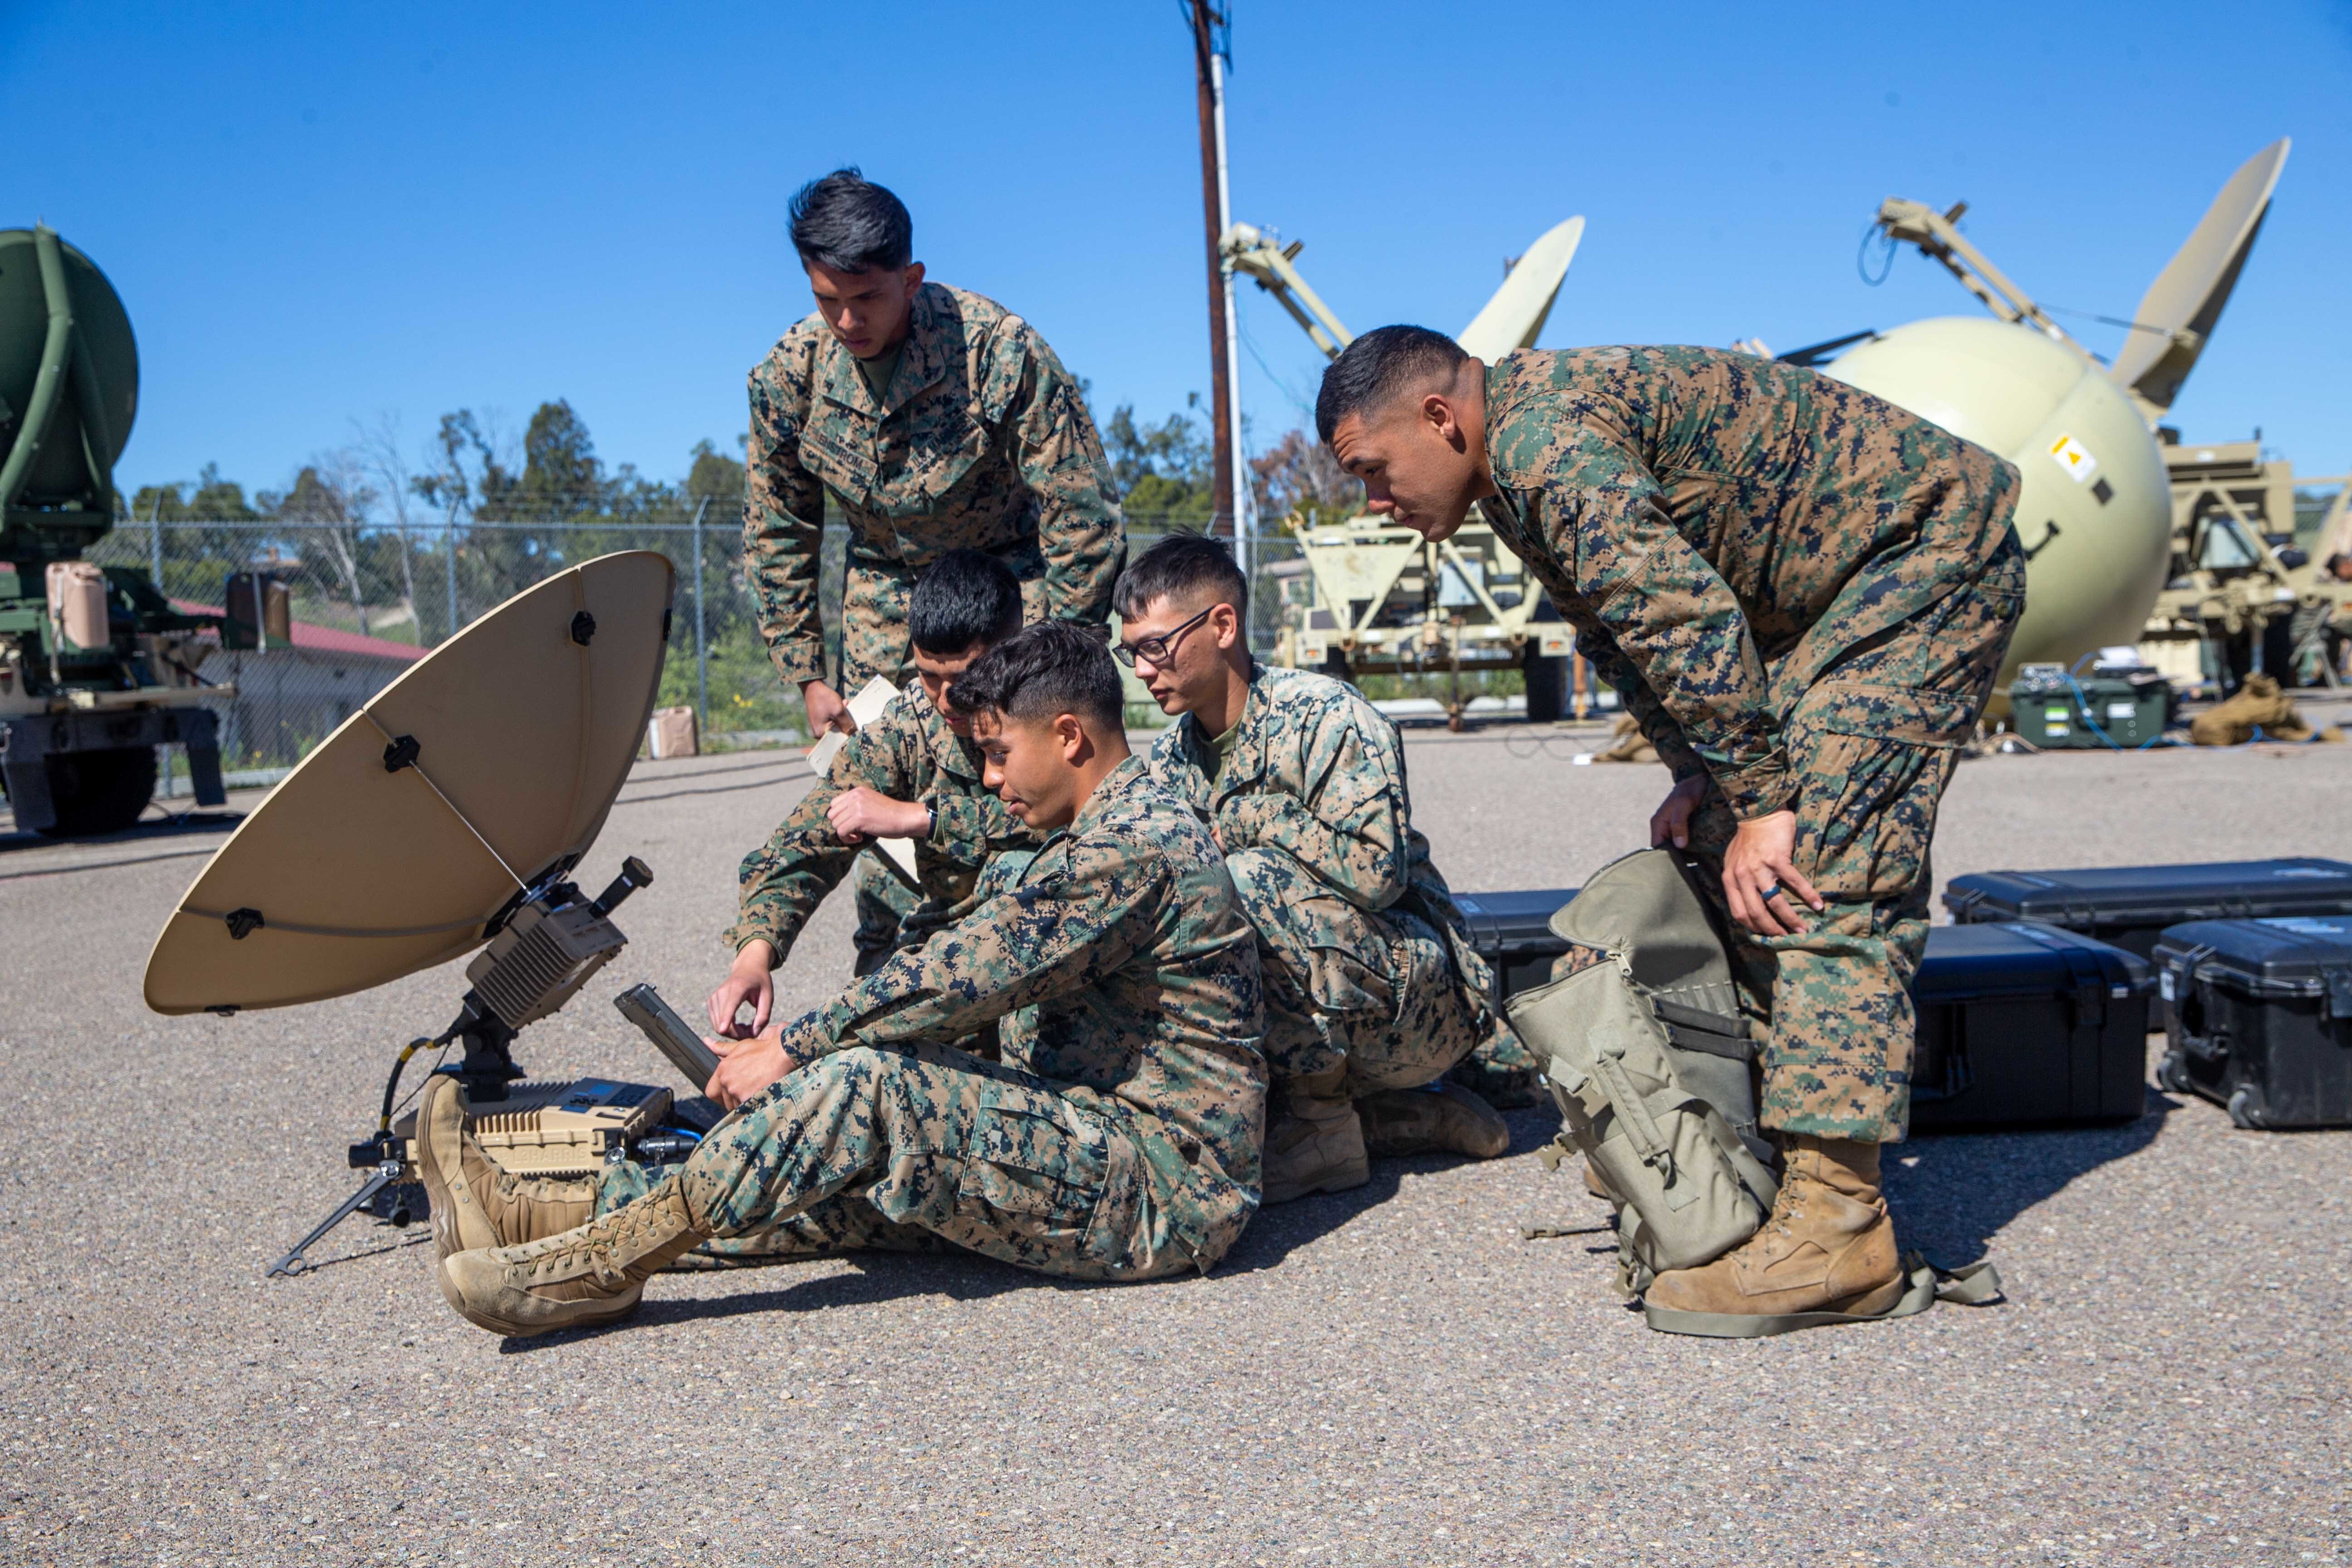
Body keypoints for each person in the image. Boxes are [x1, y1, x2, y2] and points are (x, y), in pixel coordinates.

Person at [1316, 328, 2023, 1330]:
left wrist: (1769, 799)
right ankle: (1773, 1153)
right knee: (1737, 842)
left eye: (1374, 472)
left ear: (1442, 418)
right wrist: (1703, 772)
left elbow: (1682, 615)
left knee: (1819, 863)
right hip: (1830, 600)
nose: (1374, 502)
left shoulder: (1549, 450)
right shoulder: (1515, 464)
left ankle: (1839, 1229)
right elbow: (1622, 627)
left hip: (1921, 564)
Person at [422, 622, 1266, 1337]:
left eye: (1002, 755)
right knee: (837, 1169)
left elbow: (966, 973)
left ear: (1071, 738)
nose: (993, 780)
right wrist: (767, 963)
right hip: (1094, 1139)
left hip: (1162, 1187)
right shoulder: (1104, 818)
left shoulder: (1134, 843)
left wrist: (794, 1047)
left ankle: (598, 1266)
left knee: (867, 1089)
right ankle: (546, 1213)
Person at [1115, 532, 1524, 1205]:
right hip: (1329, 1012)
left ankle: (1324, 1130)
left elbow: (1377, 874)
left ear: (1222, 626)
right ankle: (1394, 1119)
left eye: (1156, 646)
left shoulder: (1327, 718)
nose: (1142, 668)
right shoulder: (1168, 762)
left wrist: (1260, 821)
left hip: (1419, 1003)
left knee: (1244, 884)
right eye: (1131, 650)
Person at [743, 167, 1125, 744]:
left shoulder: (996, 350)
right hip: (883, 603)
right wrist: (808, 677)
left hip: (1006, 593)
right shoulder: (788, 377)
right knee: (880, 787)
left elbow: (1080, 510)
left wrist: (1064, 652)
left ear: (912, 279)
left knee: (1022, 774)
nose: (848, 321)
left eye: (868, 297)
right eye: (828, 300)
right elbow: (778, 530)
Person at [708, 548, 1036, 1029]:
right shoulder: (908, 728)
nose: (948, 701)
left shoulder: (1055, 708)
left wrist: (923, 818)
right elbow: (803, 846)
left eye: (966, 678)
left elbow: (1092, 833)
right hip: (952, 957)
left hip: (1044, 952)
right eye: (928, 676)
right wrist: (754, 956)